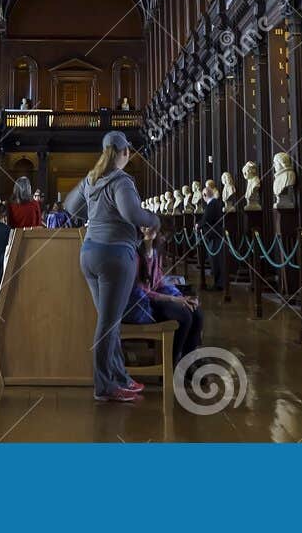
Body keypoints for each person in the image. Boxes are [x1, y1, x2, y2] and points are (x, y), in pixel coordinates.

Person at [63, 131, 159, 402]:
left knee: (110, 322)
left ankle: (120, 378)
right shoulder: (121, 180)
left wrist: (95, 216)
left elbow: (70, 206)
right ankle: (105, 385)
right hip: (115, 256)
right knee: (108, 324)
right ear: (125, 152)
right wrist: (153, 219)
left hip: (90, 254)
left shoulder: (91, 178)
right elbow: (132, 214)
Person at [137, 226, 204, 363]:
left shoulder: (155, 252)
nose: (149, 229)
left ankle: (188, 360)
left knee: (197, 313)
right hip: (144, 304)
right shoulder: (135, 254)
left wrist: (181, 297)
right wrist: (172, 299)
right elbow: (141, 291)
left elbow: (159, 282)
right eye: (144, 225)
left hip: (157, 298)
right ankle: (171, 363)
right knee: (184, 316)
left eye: (152, 225)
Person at [199, 179, 225, 290]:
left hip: (214, 236)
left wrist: (198, 225)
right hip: (215, 235)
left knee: (215, 261)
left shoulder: (212, 204)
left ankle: (218, 284)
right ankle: (218, 283)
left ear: (205, 195)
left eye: (203, 196)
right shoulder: (214, 203)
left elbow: (206, 219)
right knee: (215, 260)